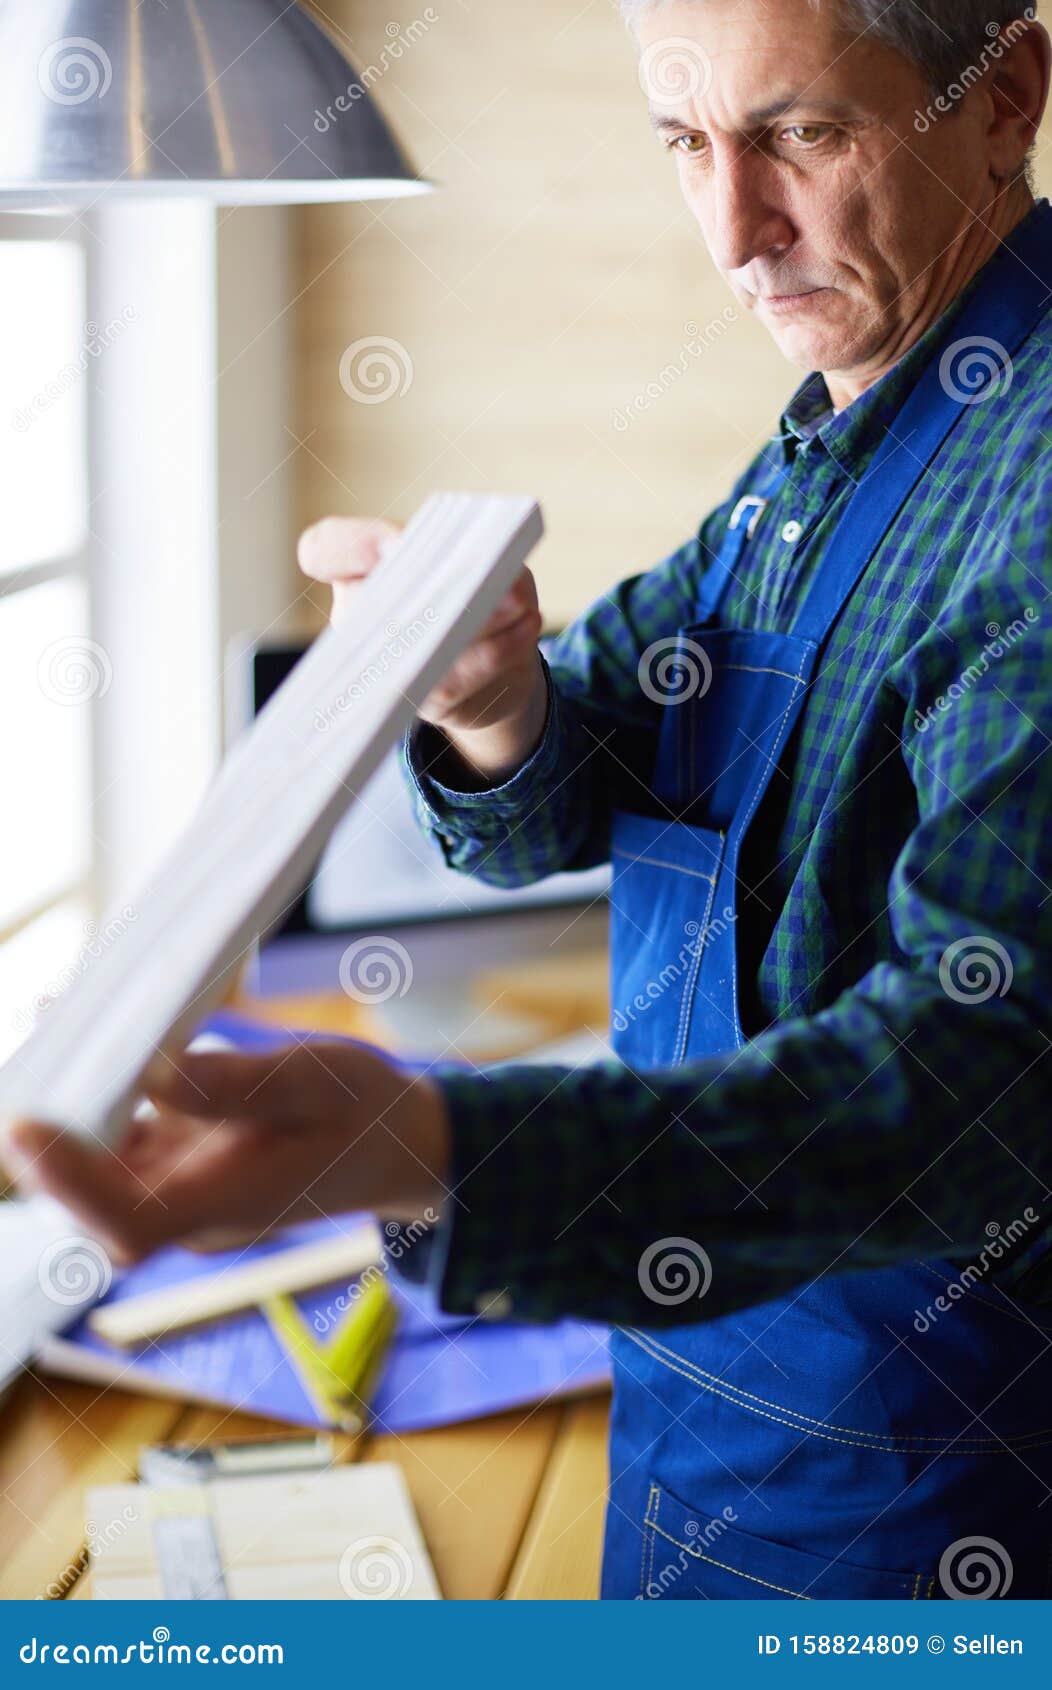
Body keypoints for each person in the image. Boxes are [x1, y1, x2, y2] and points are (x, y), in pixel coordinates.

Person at [6, 0, 1052, 1600]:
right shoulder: (837, 434)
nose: (733, 229)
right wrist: (491, 701)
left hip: (913, 1502)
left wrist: (430, 1143)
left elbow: (980, 1080)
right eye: (682, 145)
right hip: (690, 1408)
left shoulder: (1033, 487)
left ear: (1006, 101)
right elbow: (597, 747)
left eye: (804, 136)